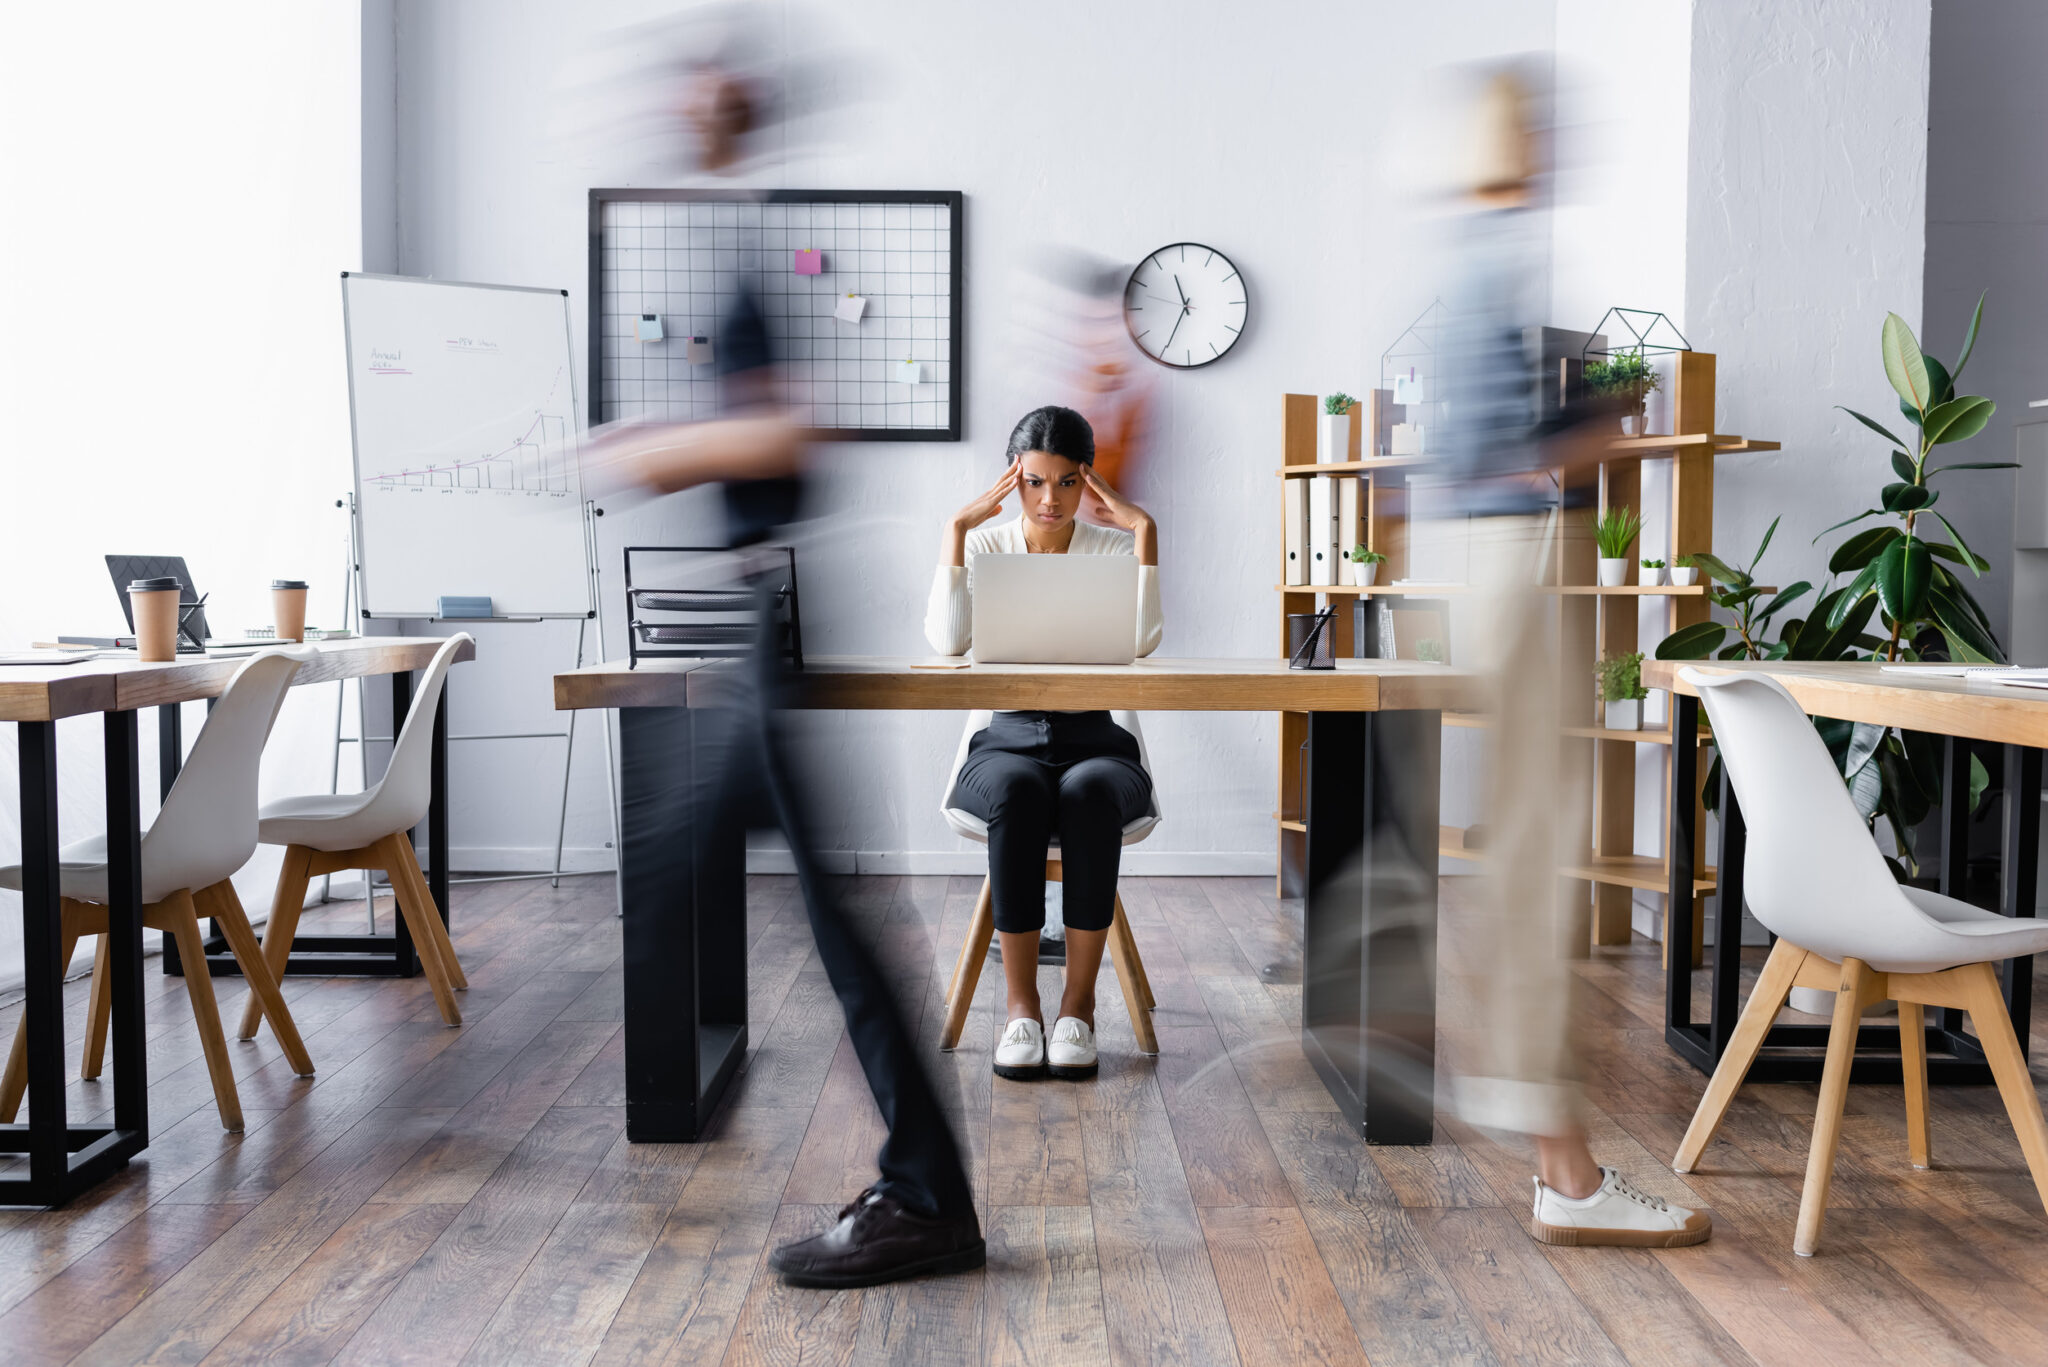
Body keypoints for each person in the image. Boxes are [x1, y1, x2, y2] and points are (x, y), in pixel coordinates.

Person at [1434, 65, 1711, 1248]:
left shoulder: (1462, 268)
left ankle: (1556, 1151)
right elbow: (1514, 453)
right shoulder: (1492, 270)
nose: (1555, 141)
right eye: (1540, 124)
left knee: (1519, 865)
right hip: (1504, 564)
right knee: (1535, 867)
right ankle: (1567, 1174)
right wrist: (1615, 405)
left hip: (1469, 567)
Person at [924, 405, 1161, 1080]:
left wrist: (1144, 530)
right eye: (1034, 482)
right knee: (1018, 791)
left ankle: (1078, 1009)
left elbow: (1142, 641)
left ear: (1088, 482)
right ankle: (1022, 1008)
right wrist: (954, 532)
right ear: (1013, 479)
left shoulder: (1114, 548)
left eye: (1065, 482)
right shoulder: (985, 547)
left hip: (1096, 741)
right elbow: (948, 641)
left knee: (1088, 793)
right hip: (1004, 740)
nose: (1049, 499)